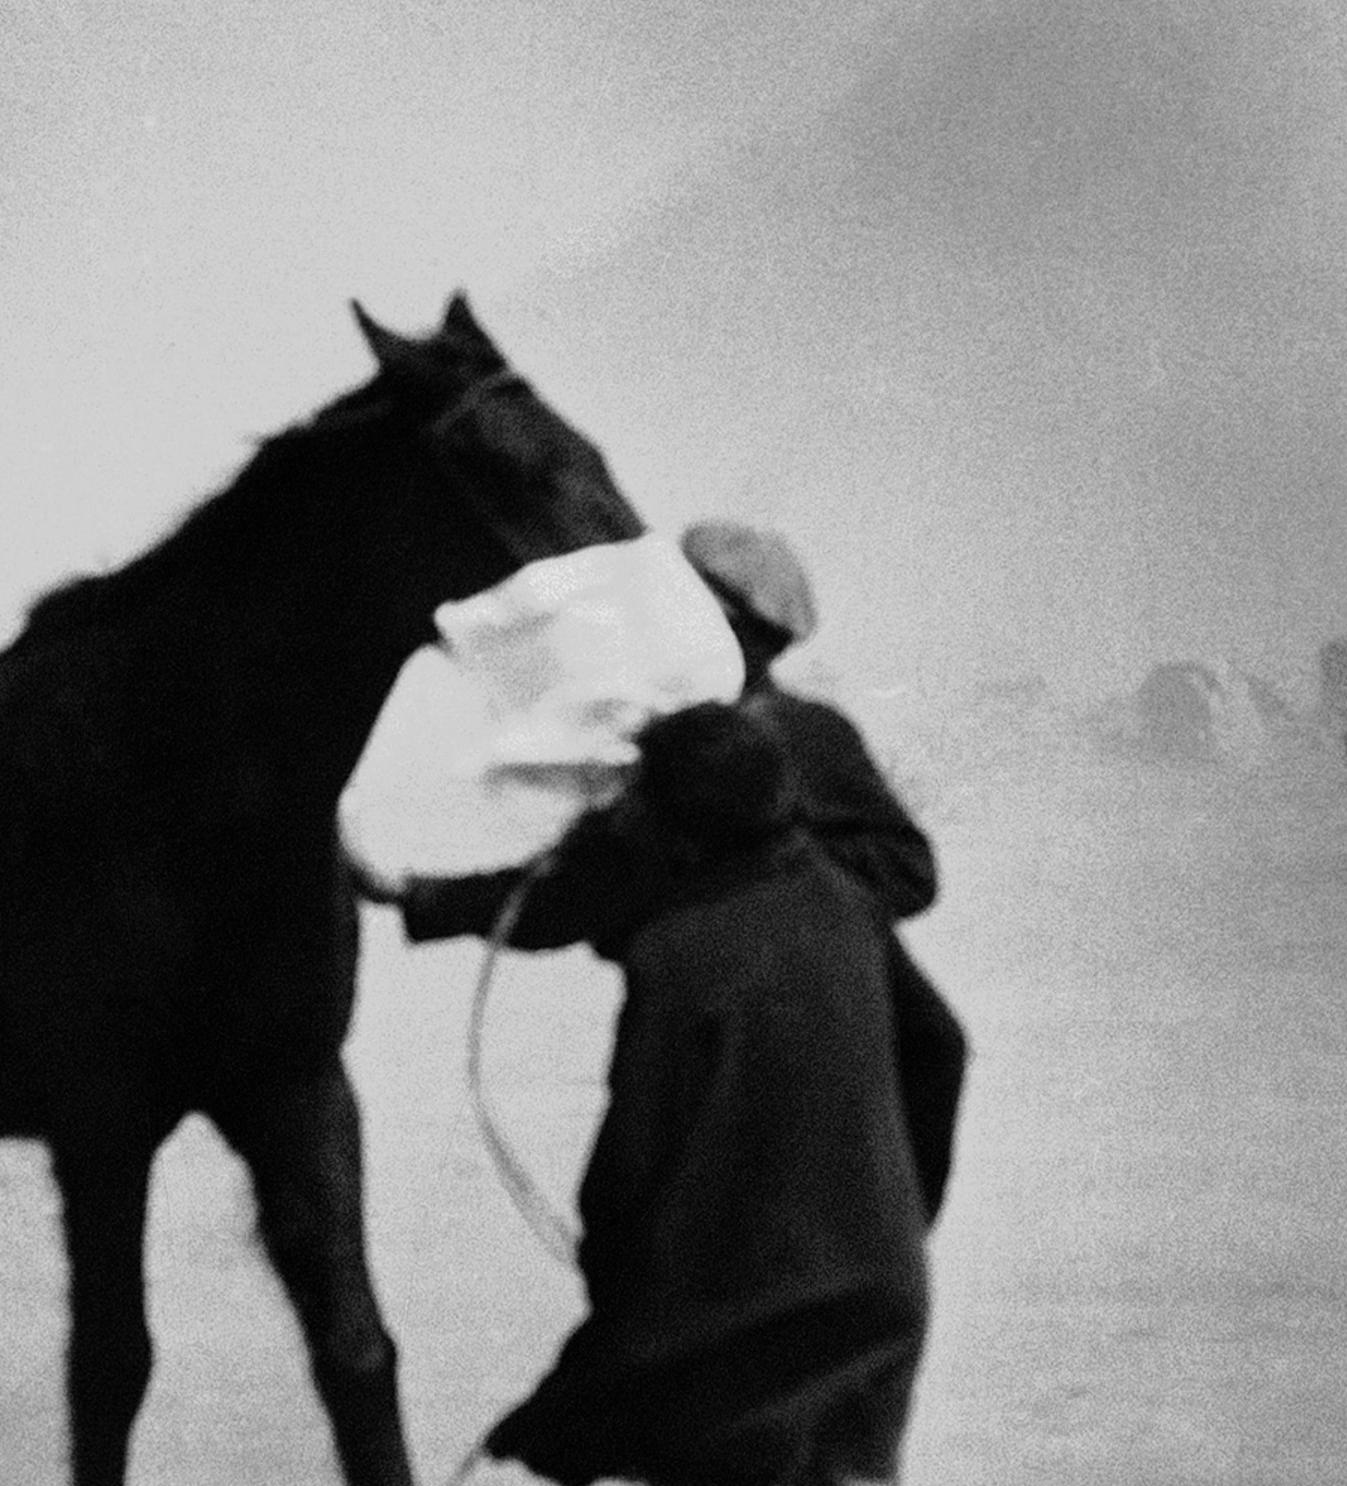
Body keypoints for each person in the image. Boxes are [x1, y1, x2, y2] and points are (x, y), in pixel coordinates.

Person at [479, 699, 930, 1486]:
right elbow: (935, 1060)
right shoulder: (854, 907)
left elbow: (631, 1161)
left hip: (735, 1297)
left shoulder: (674, 954)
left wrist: (620, 1289)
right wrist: (895, 1220)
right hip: (876, 1278)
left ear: (676, 826)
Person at [385, 519, 967, 1220]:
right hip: (717, 987)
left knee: (929, 1047)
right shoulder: (647, 743)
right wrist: (425, 897)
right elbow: (568, 894)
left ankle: (895, 1234)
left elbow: (907, 869)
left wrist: (775, 870)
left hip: (815, 974)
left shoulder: (799, 733)